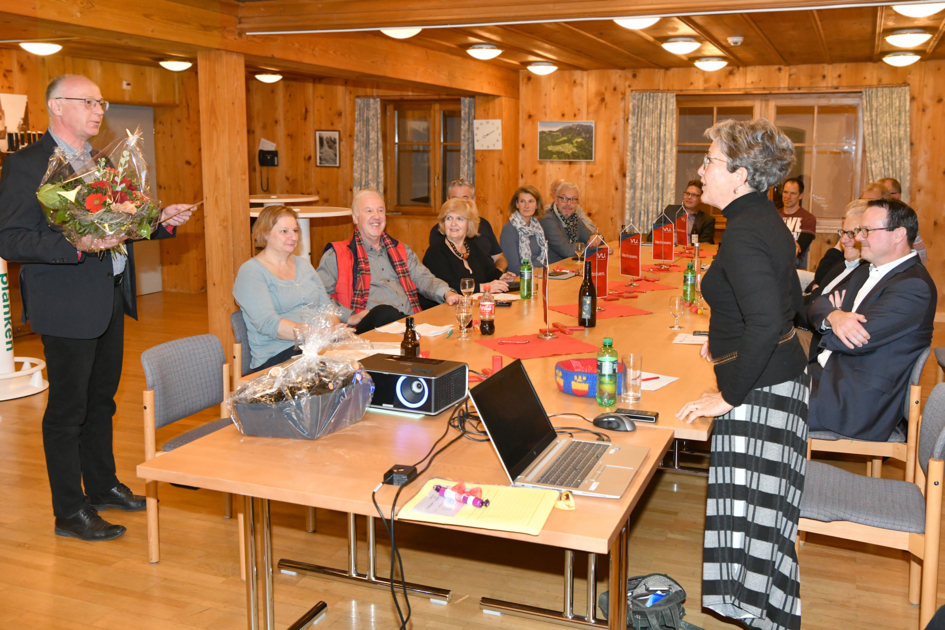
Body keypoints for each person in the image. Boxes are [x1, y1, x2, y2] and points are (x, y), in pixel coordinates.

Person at [0, 74, 196, 542]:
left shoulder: (101, 164)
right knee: (68, 410)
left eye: (101, 102)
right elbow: (10, 239)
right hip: (66, 303)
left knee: (101, 402)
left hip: (108, 296)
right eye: (88, 102)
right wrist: (77, 244)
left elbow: (120, 225)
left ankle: (103, 485)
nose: (98, 110)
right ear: (56, 106)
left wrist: (159, 222)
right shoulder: (28, 164)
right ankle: (70, 510)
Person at [675, 119, 809, 630]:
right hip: (773, 378)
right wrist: (723, 335)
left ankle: (767, 620)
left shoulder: (748, 227)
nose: (701, 170)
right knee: (764, 522)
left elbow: (770, 319)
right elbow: (785, 299)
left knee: (755, 524)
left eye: (709, 161)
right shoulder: (757, 216)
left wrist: (729, 396)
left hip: (761, 392)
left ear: (740, 173)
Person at [806, 199, 936, 441]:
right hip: (826, 378)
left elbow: (853, 340)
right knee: (745, 388)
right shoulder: (866, 270)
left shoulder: (913, 286)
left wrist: (832, 318)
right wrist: (835, 315)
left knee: (757, 405)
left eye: (866, 231)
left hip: (855, 402)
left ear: (898, 235)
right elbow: (816, 304)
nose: (859, 238)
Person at [317, 189, 461, 334]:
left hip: (410, 321)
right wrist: (349, 317)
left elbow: (424, 278)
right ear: (355, 217)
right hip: (367, 328)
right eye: (369, 211)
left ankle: (415, 330)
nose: (376, 216)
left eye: (380, 210)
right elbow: (319, 296)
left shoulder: (401, 250)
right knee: (383, 312)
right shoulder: (336, 255)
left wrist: (447, 293)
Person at [233, 206, 339, 372]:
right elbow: (269, 324)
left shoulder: (303, 264)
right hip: (276, 359)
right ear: (266, 233)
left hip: (314, 346)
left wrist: (334, 334)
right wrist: (316, 334)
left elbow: (327, 309)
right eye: (284, 231)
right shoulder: (251, 271)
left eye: (295, 230)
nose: (293, 237)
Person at [423, 198, 514, 300]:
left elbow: (489, 272)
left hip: (471, 306)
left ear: (469, 224)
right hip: (443, 310)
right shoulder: (435, 252)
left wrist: (502, 277)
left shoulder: (471, 246)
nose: (453, 223)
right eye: (449, 218)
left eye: (460, 219)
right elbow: (447, 286)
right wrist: (483, 287)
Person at [427, 178, 505, 271]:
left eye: (465, 199)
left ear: (473, 200)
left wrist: (498, 273)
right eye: (455, 199)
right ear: (448, 201)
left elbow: (499, 257)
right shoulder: (439, 232)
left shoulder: (483, 225)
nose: (460, 204)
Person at [538, 181, 597, 263]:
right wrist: (596, 250)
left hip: (569, 266)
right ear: (556, 200)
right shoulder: (547, 219)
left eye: (573, 199)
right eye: (564, 198)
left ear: (577, 203)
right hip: (552, 270)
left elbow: (590, 237)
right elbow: (567, 251)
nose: (568, 203)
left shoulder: (573, 218)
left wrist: (597, 238)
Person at [499, 186, 548, 275]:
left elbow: (544, 260)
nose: (526, 206)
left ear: (537, 205)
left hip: (537, 275)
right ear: (517, 204)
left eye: (531, 201)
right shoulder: (509, 229)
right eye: (522, 201)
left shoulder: (537, 227)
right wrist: (537, 270)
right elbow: (513, 267)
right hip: (518, 279)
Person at [660, 180, 716, 244]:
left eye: (694, 195)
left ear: (701, 199)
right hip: (667, 250)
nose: (689, 197)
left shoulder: (707, 220)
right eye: (687, 193)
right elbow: (652, 236)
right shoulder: (669, 211)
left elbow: (705, 245)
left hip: (689, 252)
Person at [779, 177, 816, 268]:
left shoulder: (808, 218)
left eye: (793, 193)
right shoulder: (773, 215)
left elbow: (800, 248)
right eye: (785, 192)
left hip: (793, 260)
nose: (788, 197)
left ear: (800, 196)